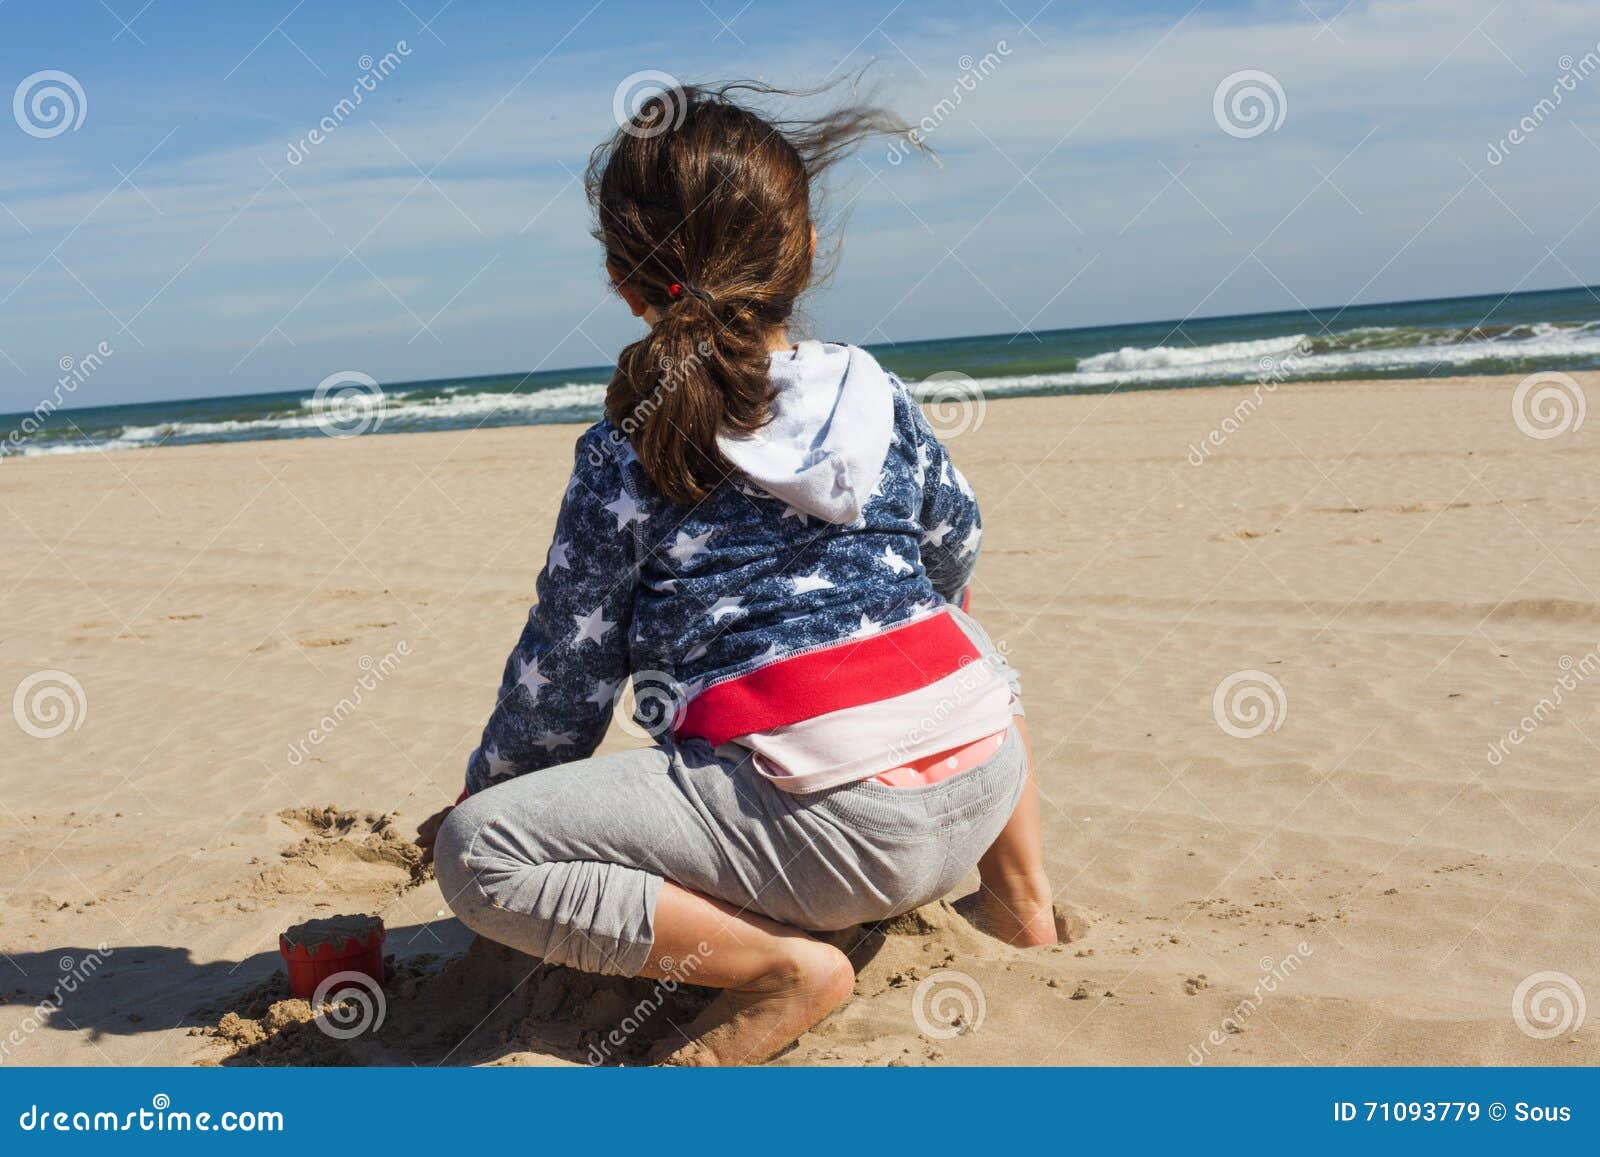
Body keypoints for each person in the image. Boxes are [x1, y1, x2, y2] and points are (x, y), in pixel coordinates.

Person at [418, 81, 1055, 1066]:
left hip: (827, 842)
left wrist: (489, 800)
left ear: (627, 277)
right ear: (799, 255)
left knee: (479, 851)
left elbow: (563, 684)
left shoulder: (629, 445)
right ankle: (1022, 899)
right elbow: (956, 542)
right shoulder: (873, 394)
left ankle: (779, 967)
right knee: (943, 630)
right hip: (980, 783)